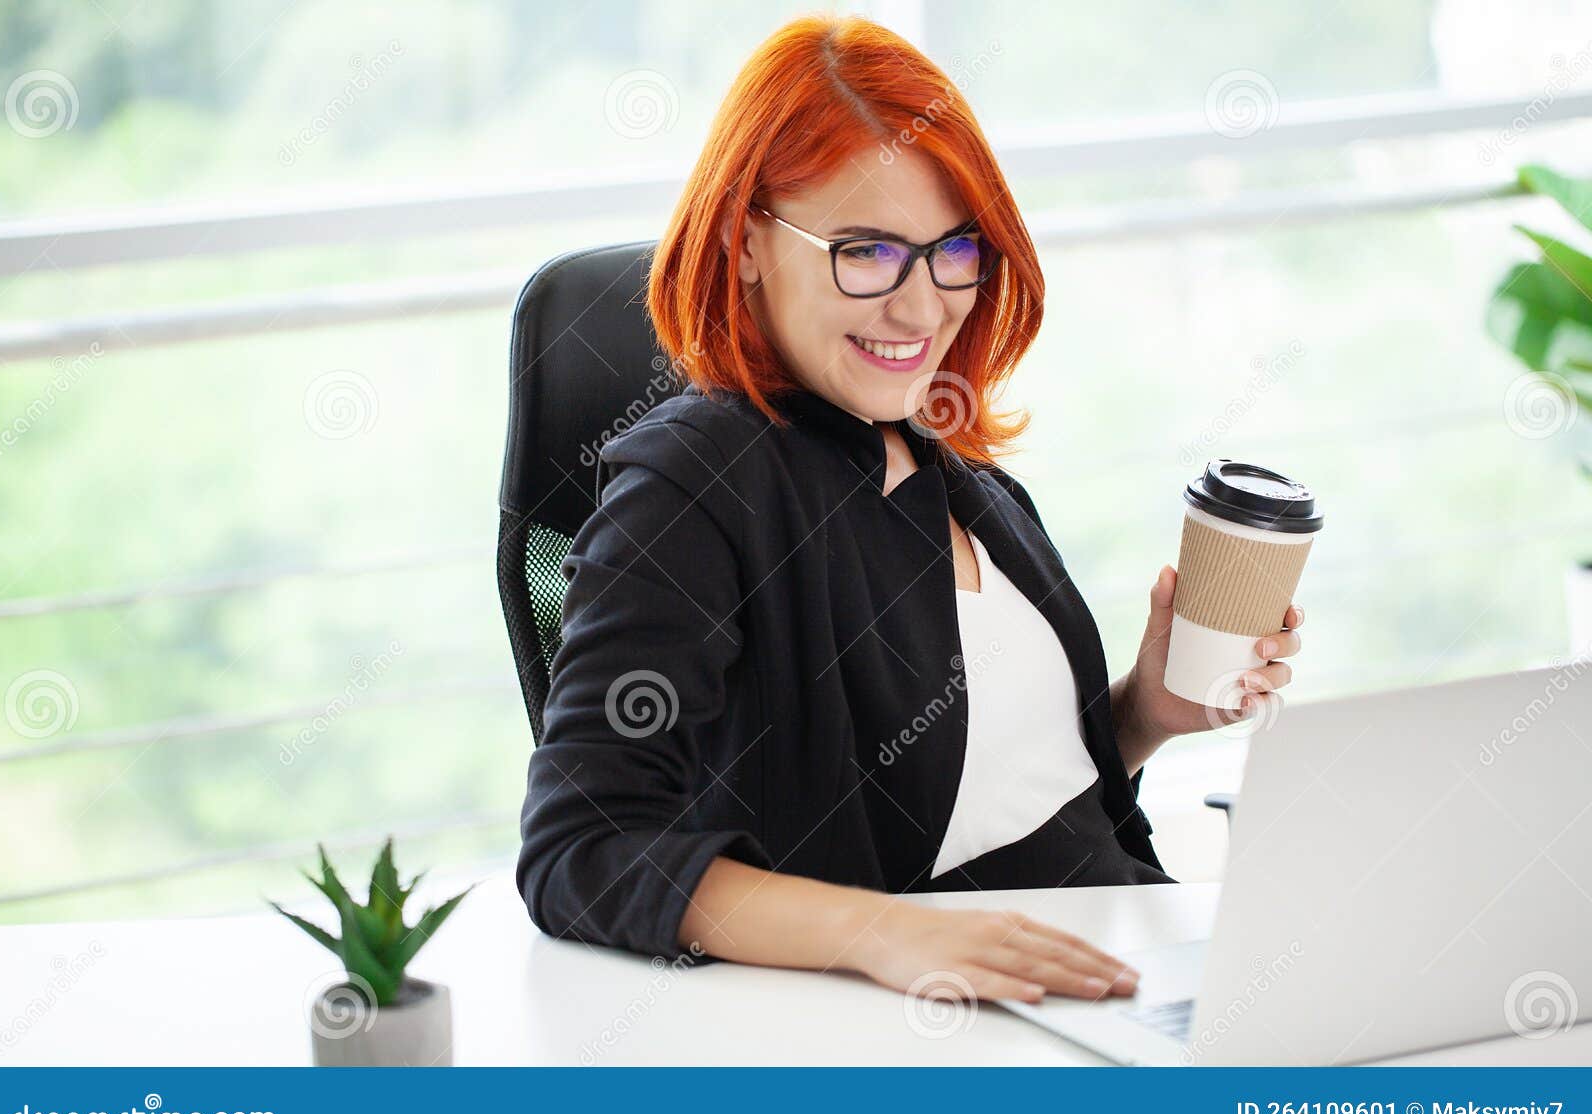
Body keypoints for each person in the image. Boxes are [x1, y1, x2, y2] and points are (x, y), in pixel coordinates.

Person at [514, 13, 1303, 1006]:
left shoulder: (958, 473)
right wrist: (876, 929)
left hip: (1131, 980)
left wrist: (1144, 710)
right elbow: (581, 846)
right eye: (866, 252)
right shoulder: (692, 486)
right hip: (954, 1035)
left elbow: (1014, 792)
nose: (924, 306)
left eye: (952, 250)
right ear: (742, 240)